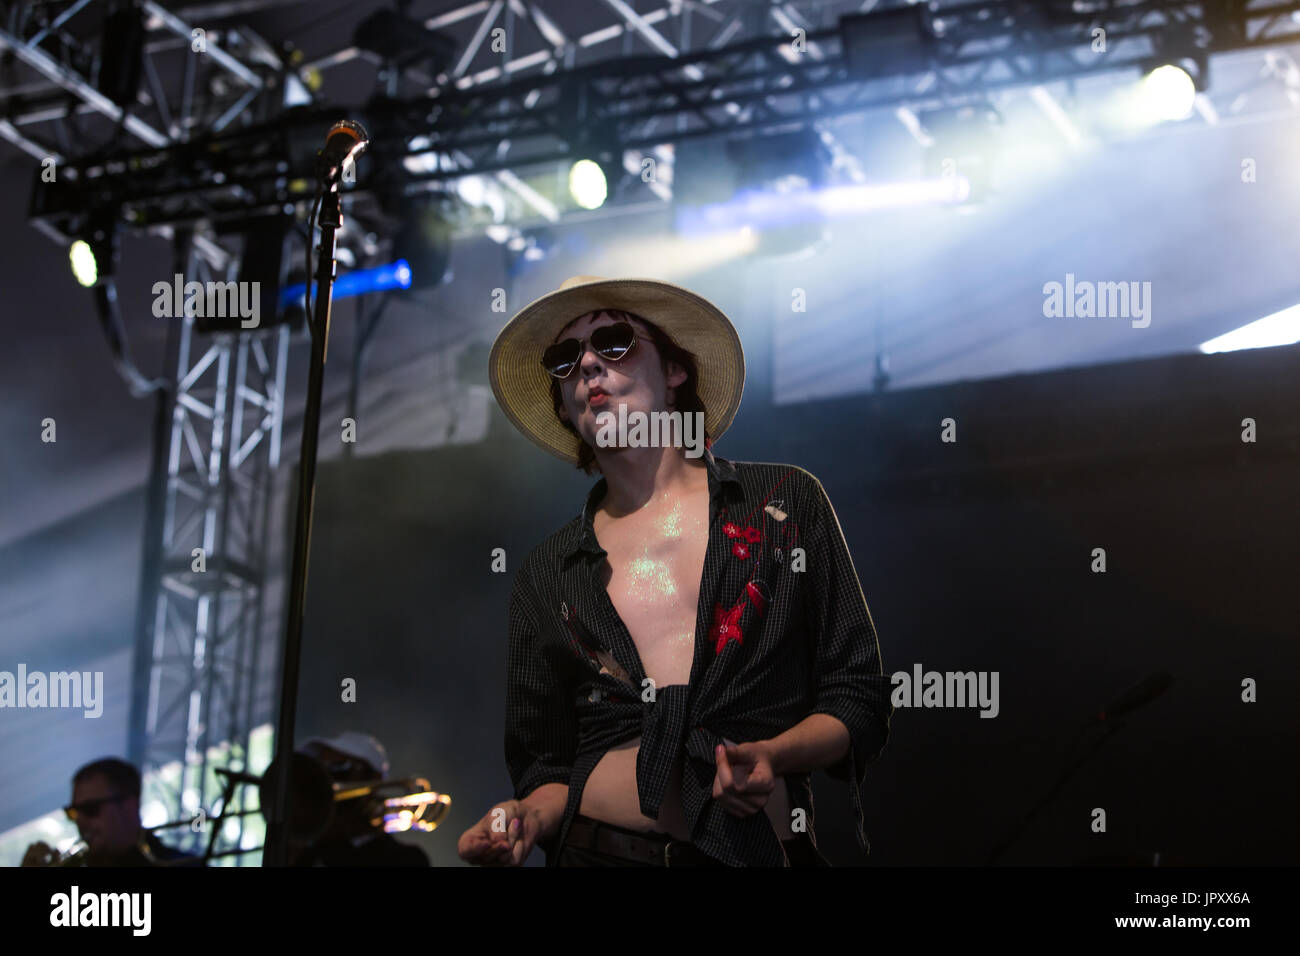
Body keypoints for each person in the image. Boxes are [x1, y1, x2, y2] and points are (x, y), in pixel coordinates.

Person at [459, 275, 892, 867]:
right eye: (564, 359)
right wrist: (524, 817)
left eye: (613, 341)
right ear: (562, 401)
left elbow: (858, 695)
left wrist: (774, 755)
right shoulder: (548, 573)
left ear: (675, 369)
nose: (586, 364)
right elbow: (549, 767)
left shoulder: (783, 505)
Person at [286, 732, 430, 867]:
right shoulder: (307, 852)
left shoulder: (407, 858)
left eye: (339, 768)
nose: (326, 779)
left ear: (374, 779)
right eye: (322, 769)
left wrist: (335, 842)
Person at [22, 757, 198, 867]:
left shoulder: (178, 863)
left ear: (129, 806)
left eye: (91, 809)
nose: (80, 821)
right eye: (74, 812)